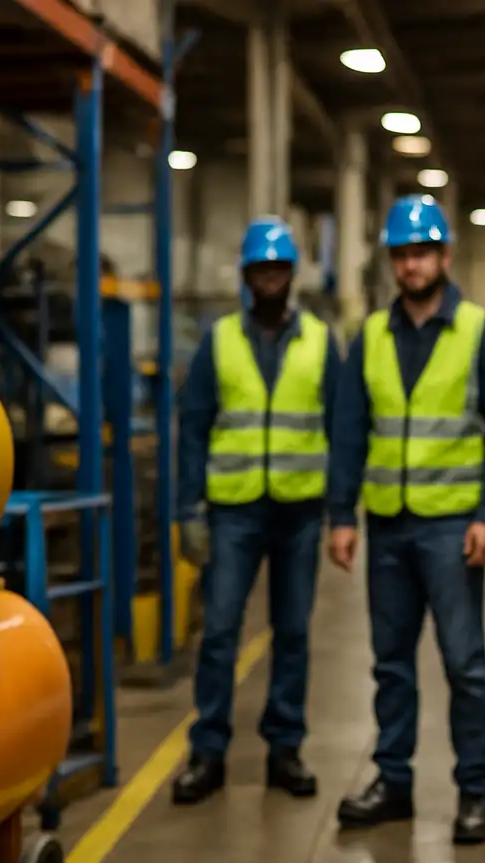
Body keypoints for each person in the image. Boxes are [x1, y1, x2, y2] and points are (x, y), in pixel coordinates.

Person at [326, 194, 485, 845]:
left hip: (451, 527)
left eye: (422, 253)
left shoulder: (476, 331)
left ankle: (475, 789)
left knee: (463, 662)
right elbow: (351, 430)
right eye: (401, 255)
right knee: (391, 663)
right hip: (386, 526)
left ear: (444, 256)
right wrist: (341, 515)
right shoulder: (372, 339)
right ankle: (394, 783)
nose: (411, 266)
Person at [171, 216, 341, 805]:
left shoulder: (320, 341)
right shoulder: (218, 341)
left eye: (278, 269)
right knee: (218, 632)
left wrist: (340, 509)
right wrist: (187, 508)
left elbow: (340, 427)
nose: (270, 278)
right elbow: (192, 427)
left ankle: (284, 749)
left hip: (299, 511)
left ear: (291, 275)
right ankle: (208, 750)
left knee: (291, 634)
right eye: (260, 269)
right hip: (234, 510)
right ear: (247, 275)